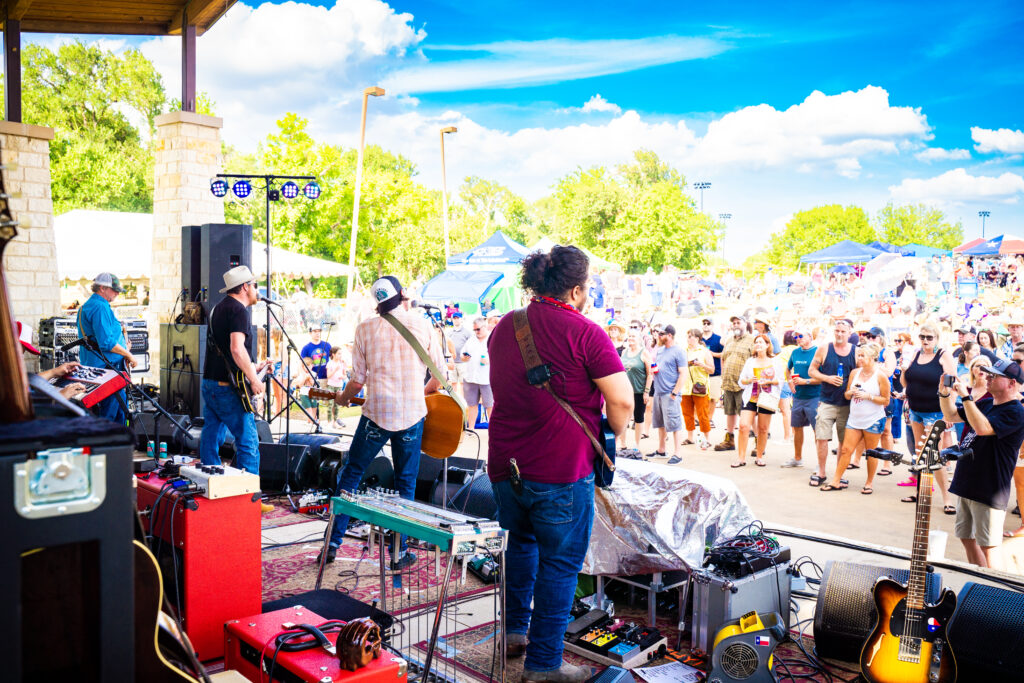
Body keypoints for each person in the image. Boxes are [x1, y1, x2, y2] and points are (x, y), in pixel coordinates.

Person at [487, 245, 632, 683]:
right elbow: (622, 399)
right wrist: (612, 431)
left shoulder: (503, 326)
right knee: (560, 564)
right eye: (587, 286)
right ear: (575, 289)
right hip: (560, 469)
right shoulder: (585, 331)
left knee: (522, 545)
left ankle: (514, 632)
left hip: (506, 463)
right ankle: (544, 664)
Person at [320, 276, 446, 566]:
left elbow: (357, 380)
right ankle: (398, 553)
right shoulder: (421, 323)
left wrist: (341, 399)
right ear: (402, 294)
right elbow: (440, 375)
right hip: (412, 414)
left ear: (377, 301)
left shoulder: (364, 328)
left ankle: (331, 544)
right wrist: (421, 394)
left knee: (351, 475)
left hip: (376, 413)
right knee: (405, 483)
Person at [200, 266, 273, 511]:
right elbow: (236, 349)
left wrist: (257, 367)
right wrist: (254, 379)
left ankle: (209, 486)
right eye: (254, 285)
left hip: (210, 382)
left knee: (212, 435)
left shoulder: (217, 309)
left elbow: (229, 355)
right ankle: (249, 499)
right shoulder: (239, 311)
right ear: (245, 287)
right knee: (248, 441)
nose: (256, 290)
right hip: (226, 389)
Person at [940, 359, 1024, 569]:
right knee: (966, 538)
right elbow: (950, 415)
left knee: (990, 547)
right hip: (967, 480)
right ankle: (979, 582)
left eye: (994, 375)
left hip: (990, 487)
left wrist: (966, 397)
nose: (987, 377)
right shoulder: (986, 403)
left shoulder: (1016, 411)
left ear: (1012, 383)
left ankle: (996, 594)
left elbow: (983, 428)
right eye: (988, 374)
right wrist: (944, 393)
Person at [901, 321, 958, 513]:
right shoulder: (916, 354)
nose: (925, 341)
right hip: (915, 410)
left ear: (936, 338)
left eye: (929, 337)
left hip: (935, 411)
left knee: (934, 454)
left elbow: (952, 384)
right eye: (922, 337)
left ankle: (947, 499)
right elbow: (905, 382)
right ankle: (921, 492)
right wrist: (903, 369)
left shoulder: (943, 355)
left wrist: (949, 411)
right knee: (919, 453)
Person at [822, 343, 890, 493]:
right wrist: (851, 392)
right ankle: (835, 481)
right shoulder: (855, 373)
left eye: (862, 356)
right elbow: (846, 394)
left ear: (872, 357)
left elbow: (886, 400)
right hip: (854, 419)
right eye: (858, 355)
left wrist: (868, 396)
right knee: (846, 449)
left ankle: (869, 483)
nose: (859, 358)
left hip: (873, 419)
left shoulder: (880, 376)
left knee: (871, 452)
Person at [76, 272, 138, 422]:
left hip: (100, 368)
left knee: (118, 412)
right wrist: (128, 355)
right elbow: (106, 343)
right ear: (102, 288)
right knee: (111, 417)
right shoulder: (100, 307)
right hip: (107, 370)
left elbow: (100, 340)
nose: (117, 293)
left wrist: (124, 347)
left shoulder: (88, 305)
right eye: (114, 290)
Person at [807, 319, 856, 487]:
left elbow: (861, 373)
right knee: (821, 438)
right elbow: (811, 370)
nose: (840, 334)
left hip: (847, 404)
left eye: (843, 331)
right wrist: (827, 378)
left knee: (844, 441)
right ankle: (821, 472)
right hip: (826, 401)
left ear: (850, 333)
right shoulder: (824, 348)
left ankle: (838, 474)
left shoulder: (855, 352)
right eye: (837, 331)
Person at [734, 335, 782, 467]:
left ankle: (759, 456)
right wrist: (750, 380)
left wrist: (769, 381)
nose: (758, 344)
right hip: (751, 397)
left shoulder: (775, 361)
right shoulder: (750, 361)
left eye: (761, 342)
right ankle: (741, 458)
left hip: (767, 397)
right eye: (756, 342)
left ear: (767, 345)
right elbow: (741, 380)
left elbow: (780, 380)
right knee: (743, 426)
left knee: (763, 428)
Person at [714, 315, 755, 452]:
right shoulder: (729, 340)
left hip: (745, 385)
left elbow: (756, 361)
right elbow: (723, 358)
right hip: (728, 383)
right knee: (730, 412)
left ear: (745, 324)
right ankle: (729, 440)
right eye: (734, 323)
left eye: (739, 322)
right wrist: (723, 375)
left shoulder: (752, 340)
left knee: (749, 414)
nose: (736, 325)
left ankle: (758, 443)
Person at [651, 325, 688, 464]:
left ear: (670, 335)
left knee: (674, 423)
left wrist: (675, 392)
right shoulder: (660, 351)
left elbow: (683, 373)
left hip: (670, 392)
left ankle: (678, 454)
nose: (658, 336)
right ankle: (661, 450)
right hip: (658, 392)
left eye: (661, 334)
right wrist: (654, 371)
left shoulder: (679, 351)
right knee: (660, 423)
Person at [784, 327, 820, 468]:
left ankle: (820, 463)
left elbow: (824, 377)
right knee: (797, 427)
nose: (798, 339)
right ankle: (797, 458)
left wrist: (806, 381)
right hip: (798, 396)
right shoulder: (795, 352)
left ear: (810, 336)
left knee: (818, 430)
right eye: (796, 337)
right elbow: (788, 369)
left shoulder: (818, 352)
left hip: (815, 396)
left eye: (801, 336)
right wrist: (790, 382)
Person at [619, 330, 652, 452]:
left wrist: (646, 391)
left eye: (633, 336)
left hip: (639, 391)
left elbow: (650, 374)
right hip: (625, 391)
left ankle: (637, 445)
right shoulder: (624, 352)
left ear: (639, 339)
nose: (630, 338)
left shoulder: (644, 353)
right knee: (624, 418)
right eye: (629, 336)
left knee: (638, 418)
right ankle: (622, 444)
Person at [680, 329, 713, 450]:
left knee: (702, 413)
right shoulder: (683, 351)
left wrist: (701, 365)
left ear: (698, 338)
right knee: (687, 413)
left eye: (691, 336)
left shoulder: (704, 351)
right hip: (685, 386)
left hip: (700, 387)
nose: (689, 339)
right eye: (688, 336)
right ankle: (690, 437)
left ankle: (707, 438)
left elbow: (712, 370)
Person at [460, 317, 494, 424]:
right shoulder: (471, 339)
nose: (476, 332)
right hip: (471, 378)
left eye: (478, 329)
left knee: (490, 406)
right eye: (474, 330)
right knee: (471, 405)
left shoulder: (492, 338)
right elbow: (462, 353)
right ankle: (471, 429)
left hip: (486, 379)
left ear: (485, 327)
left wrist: (489, 360)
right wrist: (463, 357)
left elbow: (502, 356)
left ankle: (493, 430)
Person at [702, 317, 724, 408]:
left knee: (712, 398)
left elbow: (724, 354)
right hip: (701, 372)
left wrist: (712, 354)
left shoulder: (718, 338)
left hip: (715, 372)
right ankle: (698, 419)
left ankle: (709, 419)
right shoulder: (698, 338)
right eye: (704, 323)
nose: (706, 325)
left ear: (712, 326)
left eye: (708, 323)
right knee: (700, 398)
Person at [325, 346, 348, 428]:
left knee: (337, 406)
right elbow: (328, 376)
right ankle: (329, 422)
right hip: (331, 385)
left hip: (339, 386)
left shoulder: (342, 363)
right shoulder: (330, 363)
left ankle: (335, 422)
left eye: (341, 354)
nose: (340, 355)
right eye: (338, 354)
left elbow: (345, 375)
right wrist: (335, 369)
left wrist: (343, 376)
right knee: (330, 404)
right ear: (333, 354)